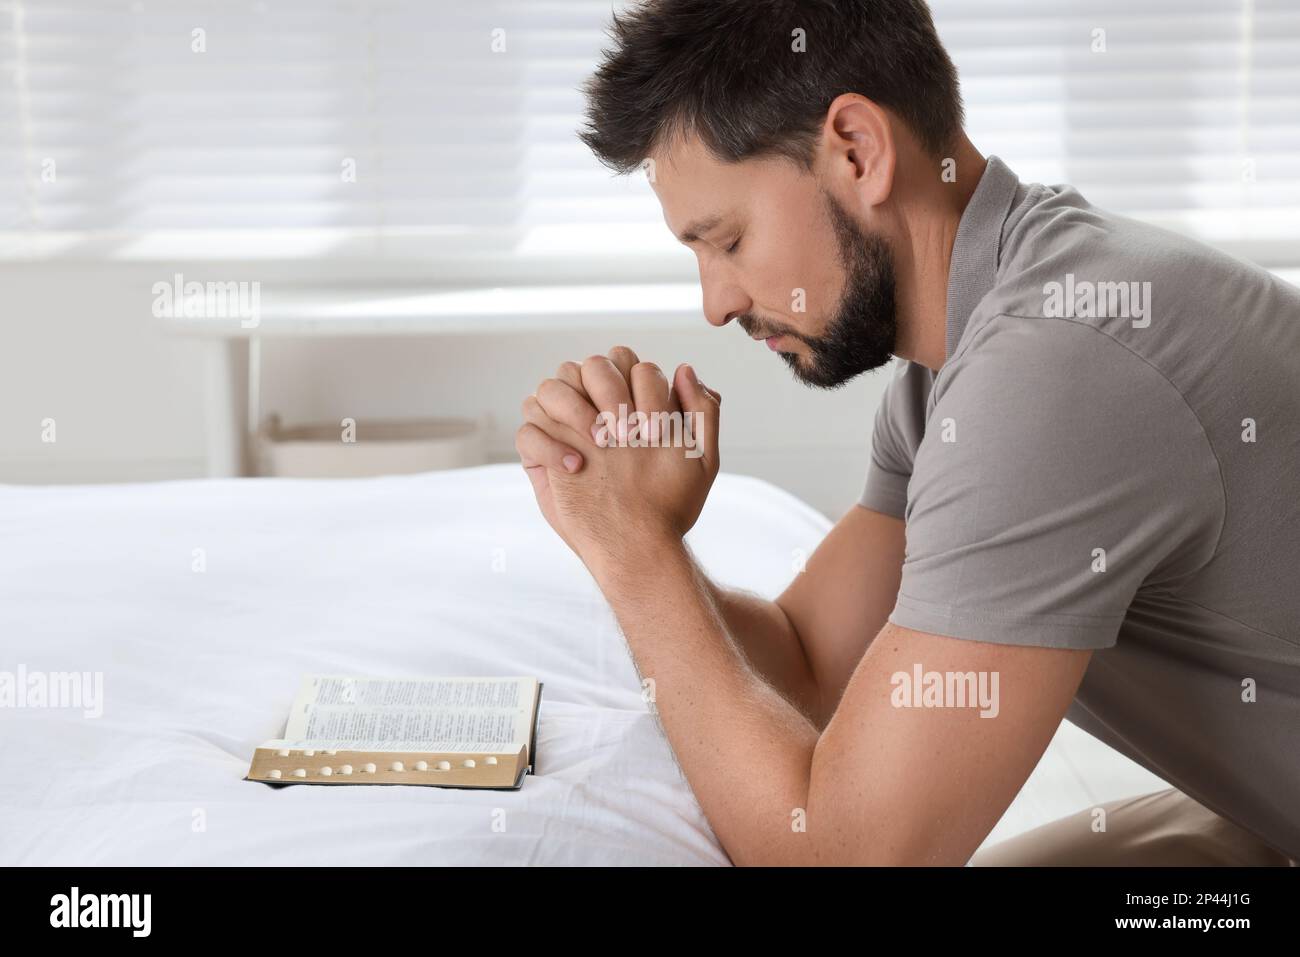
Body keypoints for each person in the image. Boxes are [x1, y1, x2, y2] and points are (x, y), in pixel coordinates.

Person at [514, 0, 1300, 865]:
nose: (717, 303)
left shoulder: (1052, 372)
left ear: (858, 149)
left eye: (728, 240)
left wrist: (634, 553)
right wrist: (639, 527)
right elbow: (814, 664)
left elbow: (846, 856)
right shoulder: (963, 362)